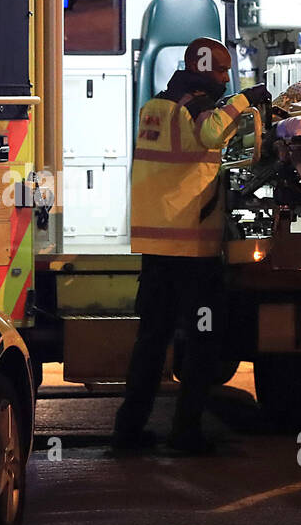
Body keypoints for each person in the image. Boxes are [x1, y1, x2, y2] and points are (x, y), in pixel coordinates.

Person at [113, 37, 271, 454]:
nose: (224, 77)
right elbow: (210, 133)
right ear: (205, 71)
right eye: (221, 71)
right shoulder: (198, 108)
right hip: (192, 253)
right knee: (203, 339)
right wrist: (244, 100)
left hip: (156, 248)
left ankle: (128, 430)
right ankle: (185, 434)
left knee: (151, 340)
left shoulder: (155, 106)